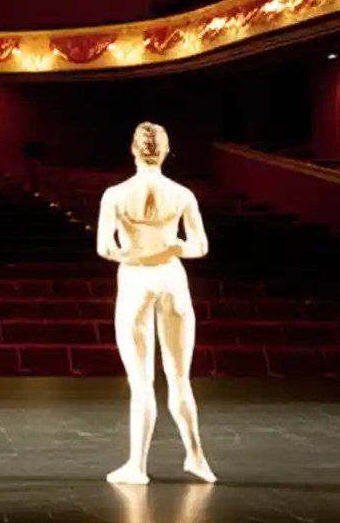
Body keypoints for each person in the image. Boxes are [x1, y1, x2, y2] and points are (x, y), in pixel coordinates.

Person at [96, 122, 216, 485]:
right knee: (180, 379)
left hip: (136, 279)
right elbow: (199, 247)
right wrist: (172, 246)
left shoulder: (115, 195)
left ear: (133, 150)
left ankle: (137, 466)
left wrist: (133, 252)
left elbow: (105, 248)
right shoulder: (182, 194)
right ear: (164, 152)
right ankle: (196, 457)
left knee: (142, 382)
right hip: (172, 278)